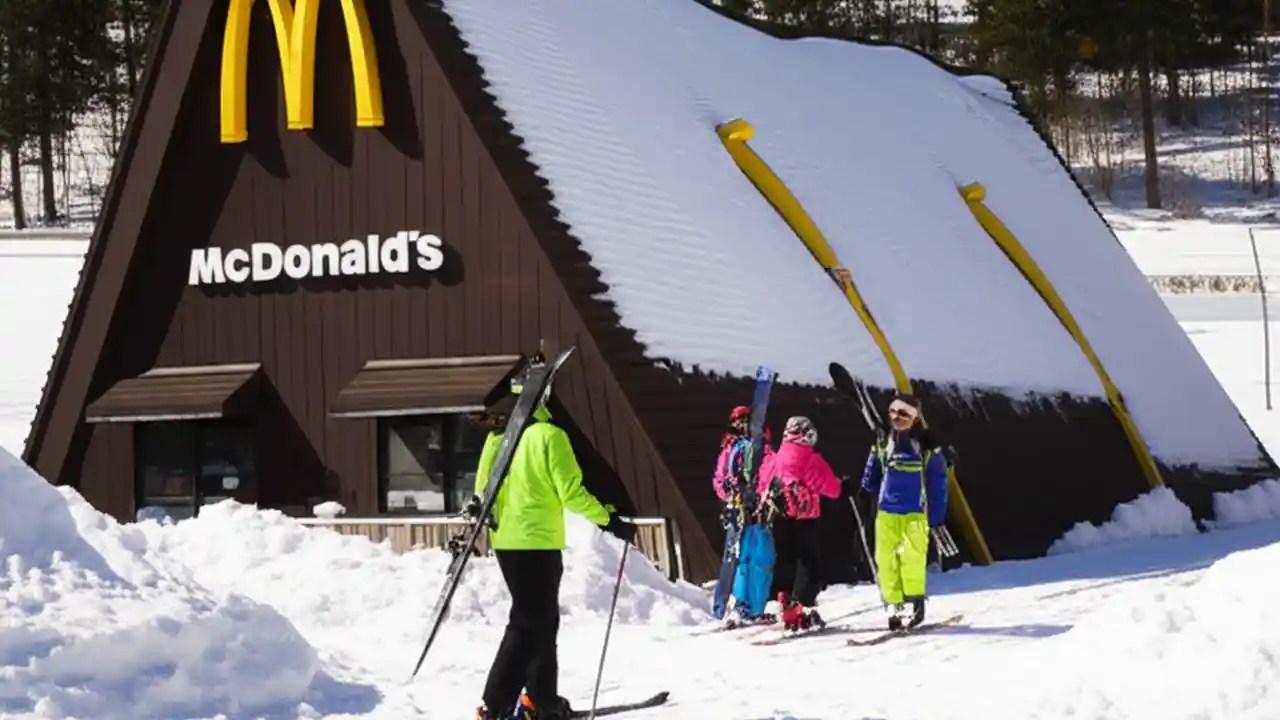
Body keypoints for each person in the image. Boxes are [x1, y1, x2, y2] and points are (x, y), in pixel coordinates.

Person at [470, 383, 636, 720]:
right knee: (529, 623)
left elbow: (480, 491)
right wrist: (608, 518)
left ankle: (541, 700)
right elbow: (571, 491)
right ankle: (496, 704)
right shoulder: (549, 435)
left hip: (506, 543)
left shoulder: (497, 438)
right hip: (538, 542)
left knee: (541, 621)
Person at [859, 393, 949, 630]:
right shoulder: (883, 441)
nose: (897, 418)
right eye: (893, 412)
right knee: (885, 560)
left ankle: (913, 602)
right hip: (886, 513)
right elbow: (872, 474)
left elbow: (937, 482)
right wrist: (864, 486)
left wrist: (937, 517)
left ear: (915, 418)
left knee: (912, 559)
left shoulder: (926, 446)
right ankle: (894, 605)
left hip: (915, 514)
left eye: (904, 414)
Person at [759, 415, 842, 631]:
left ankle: (786, 604)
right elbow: (830, 487)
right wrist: (844, 487)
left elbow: (763, 485)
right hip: (806, 518)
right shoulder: (809, 458)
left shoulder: (776, 458)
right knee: (808, 563)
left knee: (785, 560)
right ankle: (803, 606)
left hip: (780, 518)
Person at [711, 405, 777, 624]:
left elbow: (771, 473)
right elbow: (720, 479)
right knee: (735, 558)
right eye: (738, 421)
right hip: (739, 512)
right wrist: (731, 495)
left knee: (757, 558)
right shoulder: (731, 449)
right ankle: (727, 606)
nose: (742, 425)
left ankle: (752, 606)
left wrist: (762, 496)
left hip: (757, 513)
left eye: (745, 420)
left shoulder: (762, 449)